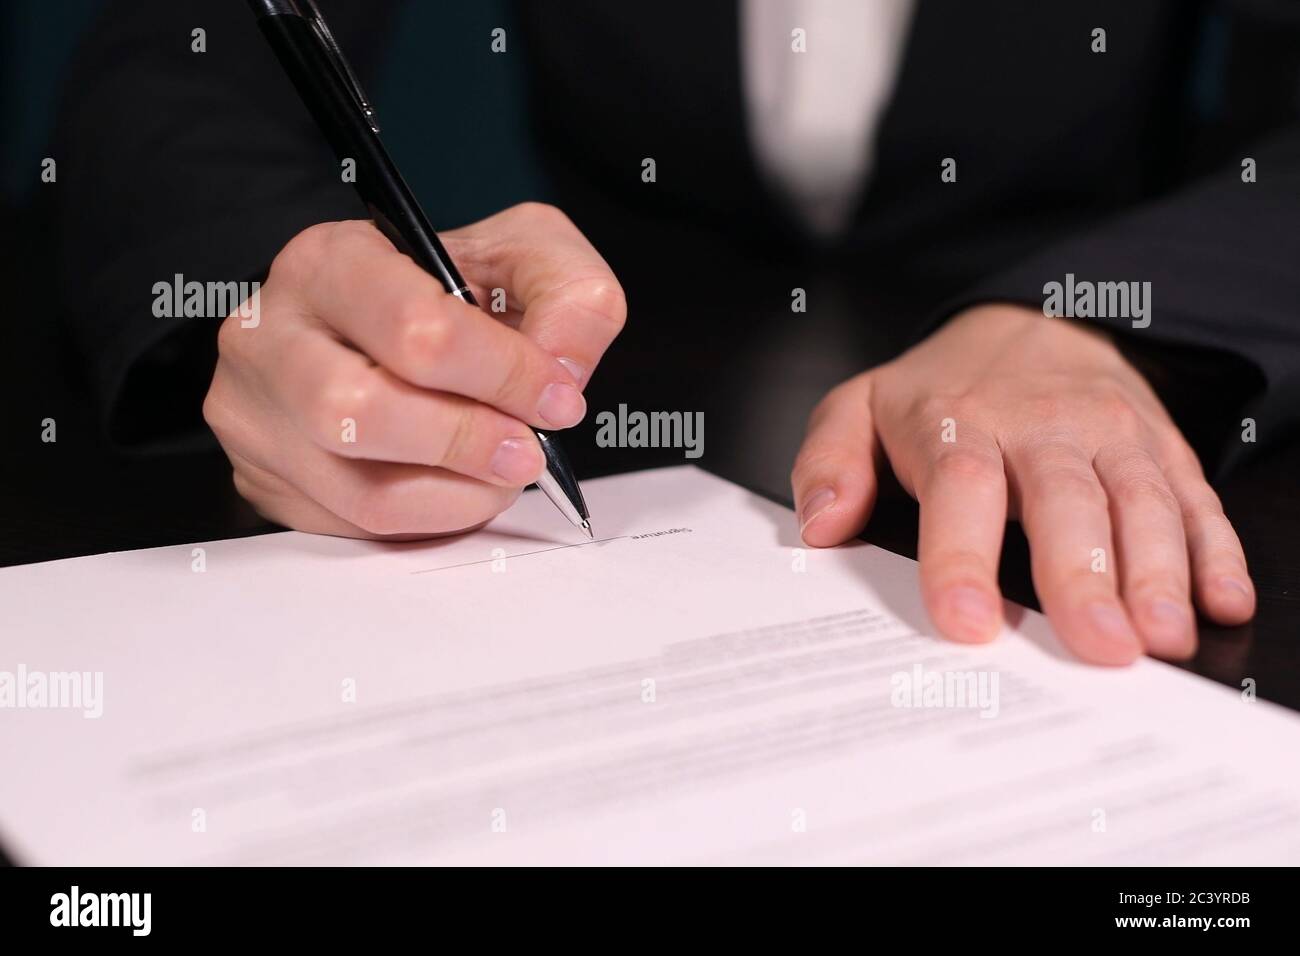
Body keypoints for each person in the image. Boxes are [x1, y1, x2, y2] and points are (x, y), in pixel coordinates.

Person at [49, 1, 1300, 664]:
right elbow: (174, 63)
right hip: (609, 358)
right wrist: (291, 282)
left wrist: (1076, 316)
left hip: (1058, 326)